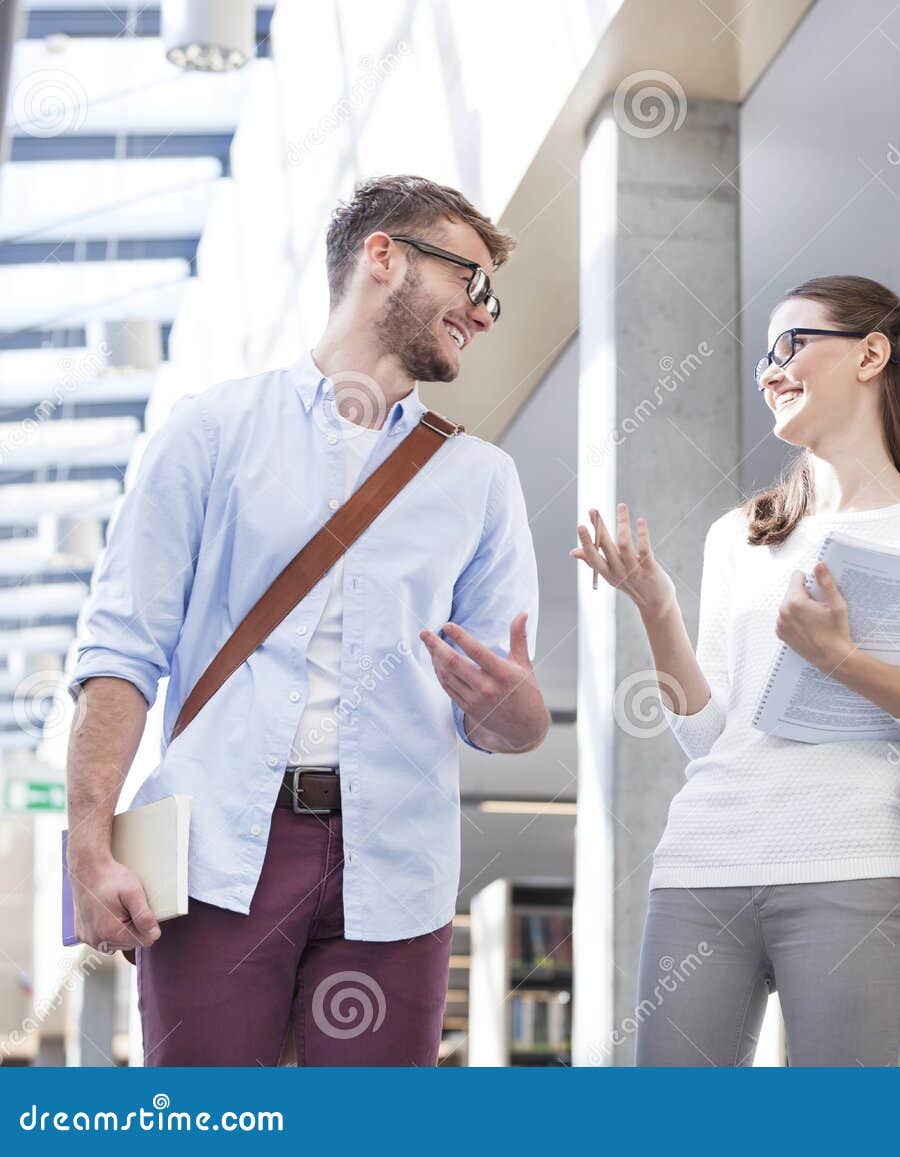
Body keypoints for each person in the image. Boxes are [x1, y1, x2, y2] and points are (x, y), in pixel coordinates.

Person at [64, 174, 551, 1066]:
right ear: (383, 256)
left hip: (396, 860)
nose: (484, 315)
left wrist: (514, 704)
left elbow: (509, 727)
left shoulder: (480, 479)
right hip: (215, 850)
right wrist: (89, 848)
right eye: (471, 283)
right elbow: (120, 653)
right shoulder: (211, 430)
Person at [574, 274, 900, 1065]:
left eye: (791, 345)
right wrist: (657, 606)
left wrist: (839, 658)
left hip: (856, 867)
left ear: (872, 353)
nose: (770, 372)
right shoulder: (739, 535)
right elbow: (705, 734)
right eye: (762, 359)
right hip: (703, 864)